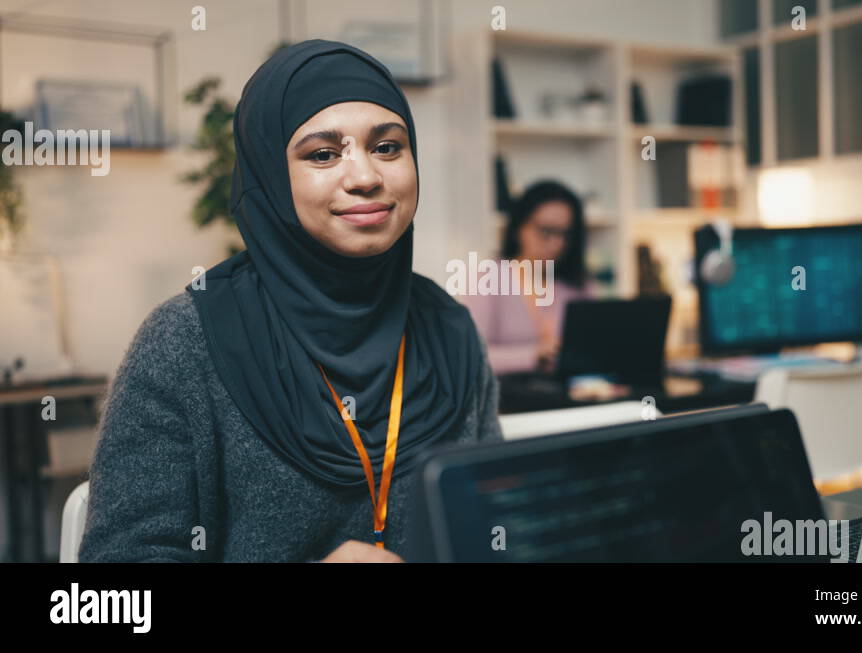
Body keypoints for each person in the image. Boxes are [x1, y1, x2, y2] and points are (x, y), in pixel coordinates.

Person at [78, 40, 502, 563]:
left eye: (388, 147)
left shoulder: (448, 327)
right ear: (271, 176)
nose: (366, 176)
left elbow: (494, 528)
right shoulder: (186, 342)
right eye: (323, 154)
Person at [465, 180, 594, 375]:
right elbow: (471, 356)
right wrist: (534, 355)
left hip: (570, 396)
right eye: (546, 231)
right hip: (509, 400)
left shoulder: (578, 285)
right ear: (519, 229)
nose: (556, 244)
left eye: (565, 234)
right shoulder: (489, 278)